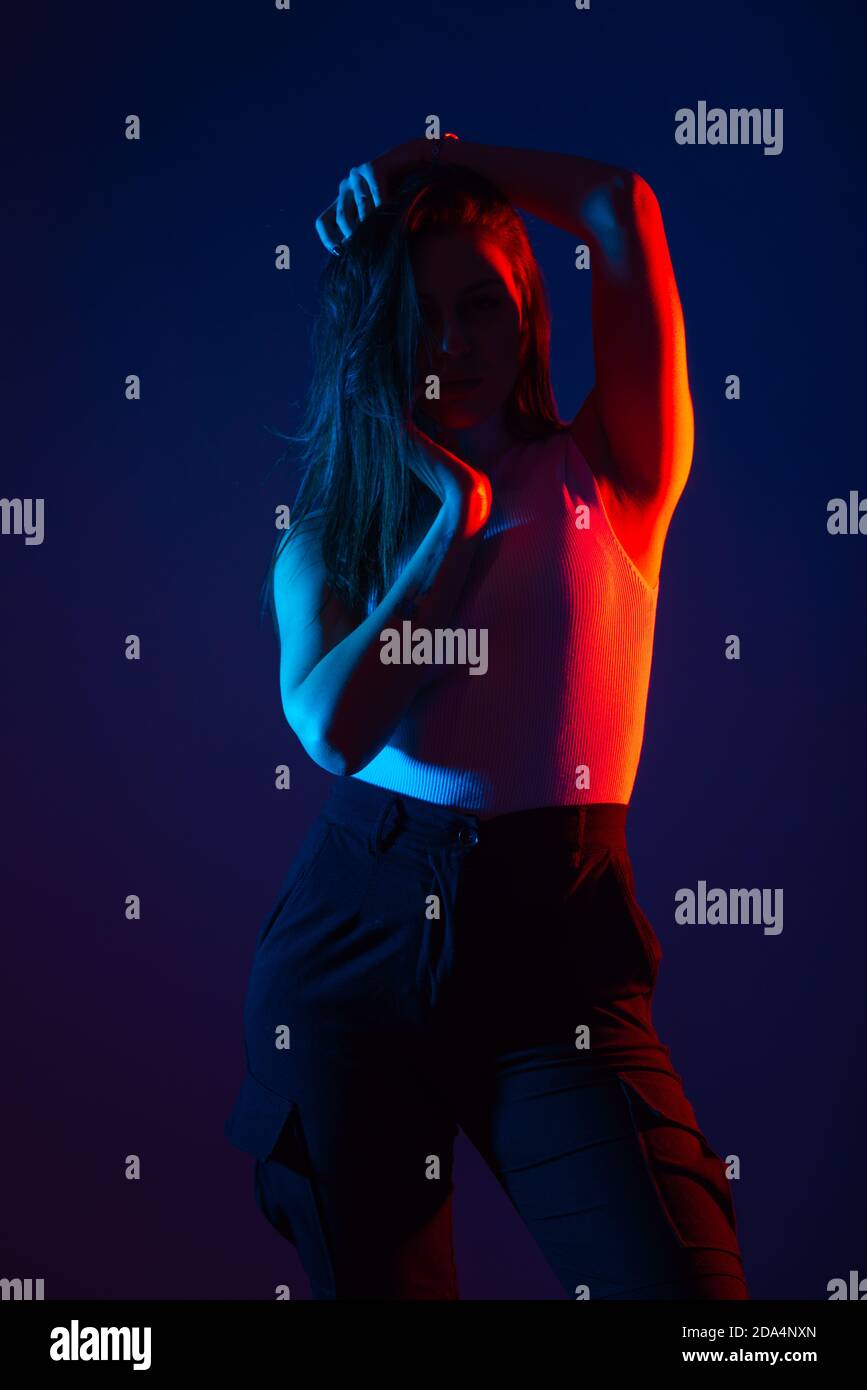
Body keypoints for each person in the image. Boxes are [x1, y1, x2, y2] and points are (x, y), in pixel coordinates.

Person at [223, 134, 749, 1301]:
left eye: (482, 304)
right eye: (419, 316)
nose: (452, 344)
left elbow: (622, 206)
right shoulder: (328, 536)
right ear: (376, 338)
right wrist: (446, 530)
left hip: (555, 951)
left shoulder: (613, 469)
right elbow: (330, 731)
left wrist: (427, 155)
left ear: (527, 315)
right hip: (352, 947)